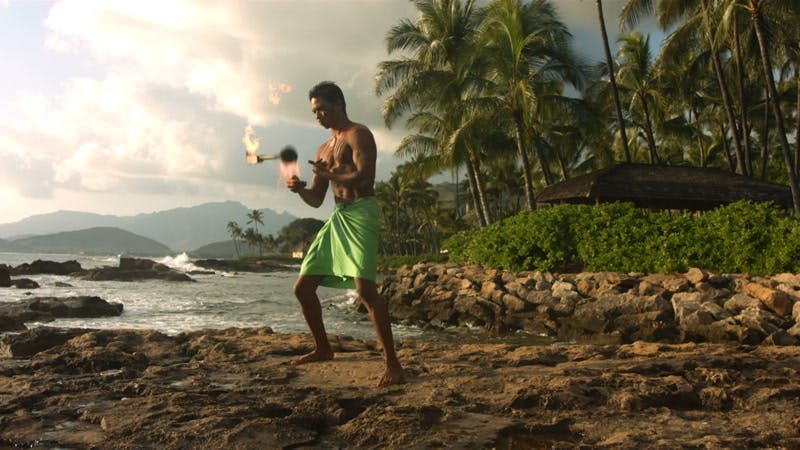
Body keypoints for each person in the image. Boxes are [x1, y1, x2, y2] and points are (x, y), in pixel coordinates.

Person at [286, 81, 405, 387]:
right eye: (314, 111)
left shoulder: (359, 134)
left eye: (322, 109)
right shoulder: (323, 148)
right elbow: (316, 199)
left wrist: (330, 173)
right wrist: (301, 189)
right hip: (338, 216)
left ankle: (393, 364)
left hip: (362, 212)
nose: (318, 116)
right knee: (303, 287)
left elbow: (366, 176)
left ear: (339, 103)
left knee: (366, 291)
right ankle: (323, 348)